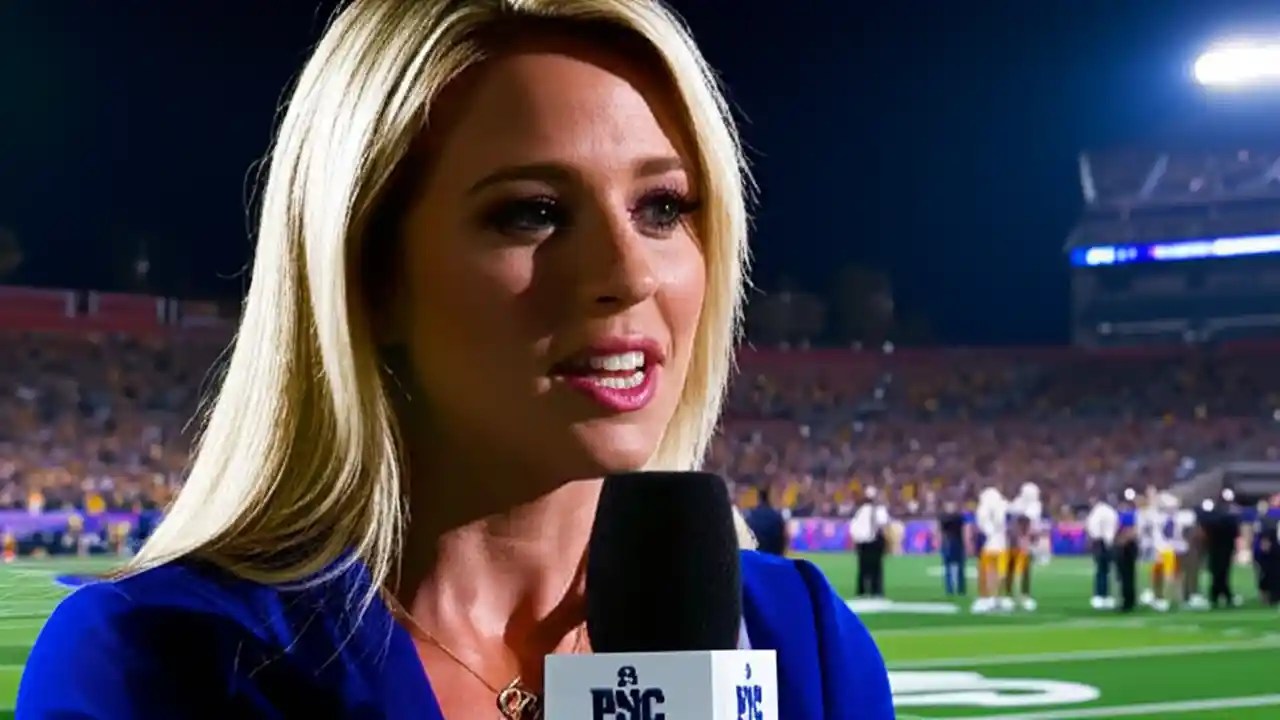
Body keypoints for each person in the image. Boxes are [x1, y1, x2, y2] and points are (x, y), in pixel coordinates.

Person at [17, 3, 894, 719]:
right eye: (532, 213)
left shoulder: (796, 642)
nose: (629, 275)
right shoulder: (159, 661)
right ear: (370, 275)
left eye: (662, 207)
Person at [1005, 482, 1042, 611]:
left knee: (1023, 570)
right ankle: (1011, 595)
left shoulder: (1034, 505)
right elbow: (1022, 521)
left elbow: (1033, 524)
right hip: (1017, 541)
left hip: (1022, 540)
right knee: (1013, 568)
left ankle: (1022, 595)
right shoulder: (1018, 504)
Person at [972, 486, 1009, 613]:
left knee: (988, 573)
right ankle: (998, 598)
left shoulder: (984, 510)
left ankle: (987, 598)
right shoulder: (1002, 507)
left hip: (990, 546)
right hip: (1002, 546)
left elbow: (984, 527)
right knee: (1001, 574)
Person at [850, 487, 889, 598]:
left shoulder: (861, 510)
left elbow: (853, 527)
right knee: (876, 567)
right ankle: (875, 590)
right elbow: (883, 525)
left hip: (863, 542)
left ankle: (862, 590)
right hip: (874, 540)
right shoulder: (879, 510)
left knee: (863, 567)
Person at [1084, 494, 1118, 609]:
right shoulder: (1111, 511)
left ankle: (1099, 595)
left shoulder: (1097, 511)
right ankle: (1106, 595)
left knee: (1100, 570)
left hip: (1099, 541)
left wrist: (1092, 538)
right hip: (1109, 542)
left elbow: (1091, 527)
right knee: (1106, 570)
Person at [745, 485, 788, 557]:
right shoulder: (776, 517)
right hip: (771, 557)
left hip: (754, 556)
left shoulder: (750, 515)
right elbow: (782, 543)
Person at [937, 498, 968, 597]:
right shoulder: (959, 517)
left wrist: (939, 542)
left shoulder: (943, 517)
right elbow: (964, 530)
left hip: (948, 543)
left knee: (948, 568)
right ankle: (961, 589)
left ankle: (950, 589)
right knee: (960, 568)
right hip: (957, 543)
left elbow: (940, 531)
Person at [1114, 491, 1139, 613]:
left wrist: (1121, 541)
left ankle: (1127, 601)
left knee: (1126, 575)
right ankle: (1129, 600)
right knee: (1127, 575)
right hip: (1128, 545)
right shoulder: (1131, 513)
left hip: (1126, 546)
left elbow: (1129, 530)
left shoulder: (1126, 514)